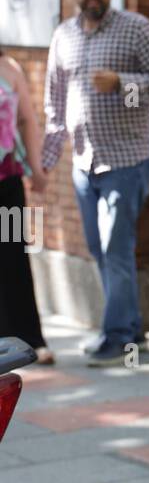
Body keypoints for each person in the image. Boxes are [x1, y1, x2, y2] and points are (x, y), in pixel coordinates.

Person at [41, 0, 149, 365]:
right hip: (84, 163)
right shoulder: (63, 36)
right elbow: (55, 103)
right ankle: (131, 327)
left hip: (127, 161)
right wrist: (45, 164)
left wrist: (122, 84)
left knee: (115, 249)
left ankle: (117, 340)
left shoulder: (135, 28)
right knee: (100, 250)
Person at [0, 49, 53, 362]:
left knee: (13, 258)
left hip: (6, 181)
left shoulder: (10, 67)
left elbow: (27, 121)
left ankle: (27, 339)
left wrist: (36, 168)